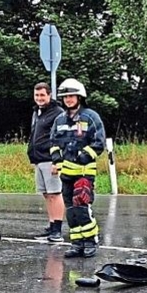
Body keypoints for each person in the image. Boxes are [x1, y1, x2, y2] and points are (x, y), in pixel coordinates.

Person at [50, 78, 105, 258]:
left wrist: (83, 157)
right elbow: (54, 143)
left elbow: (99, 143)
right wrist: (57, 160)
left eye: (72, 96)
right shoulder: (59, 119)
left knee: (82, 209)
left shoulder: (90, 117)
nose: (68, 99)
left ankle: (90, 242)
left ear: (79, 97)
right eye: (65, 97)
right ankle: (77, 243)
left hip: (84, 173)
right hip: (66, 174)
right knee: (71, 211)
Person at [28, 82, 65, 242]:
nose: (39, 98)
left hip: (51, 159)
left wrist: (58, 161)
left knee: (55, 194)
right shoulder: (37, 112)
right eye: (37, 95)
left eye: (42, 95)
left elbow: (62, 137)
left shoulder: (58, 113)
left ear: (49, 95)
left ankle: (57, 229)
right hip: (39, 159)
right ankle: (51, 226)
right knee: (46, 194)